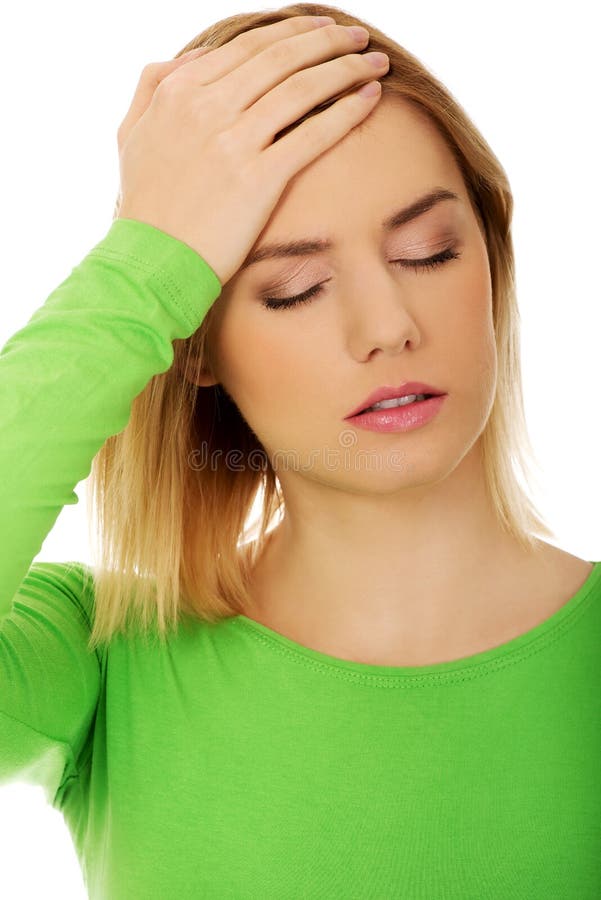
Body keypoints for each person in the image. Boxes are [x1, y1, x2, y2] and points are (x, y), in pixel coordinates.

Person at [1, 6, 599, 898]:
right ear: (194, 342)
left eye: (427, 252)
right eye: (295, 288)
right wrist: (142, 269)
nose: (387, 327)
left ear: (491, 254)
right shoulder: (97, 654)